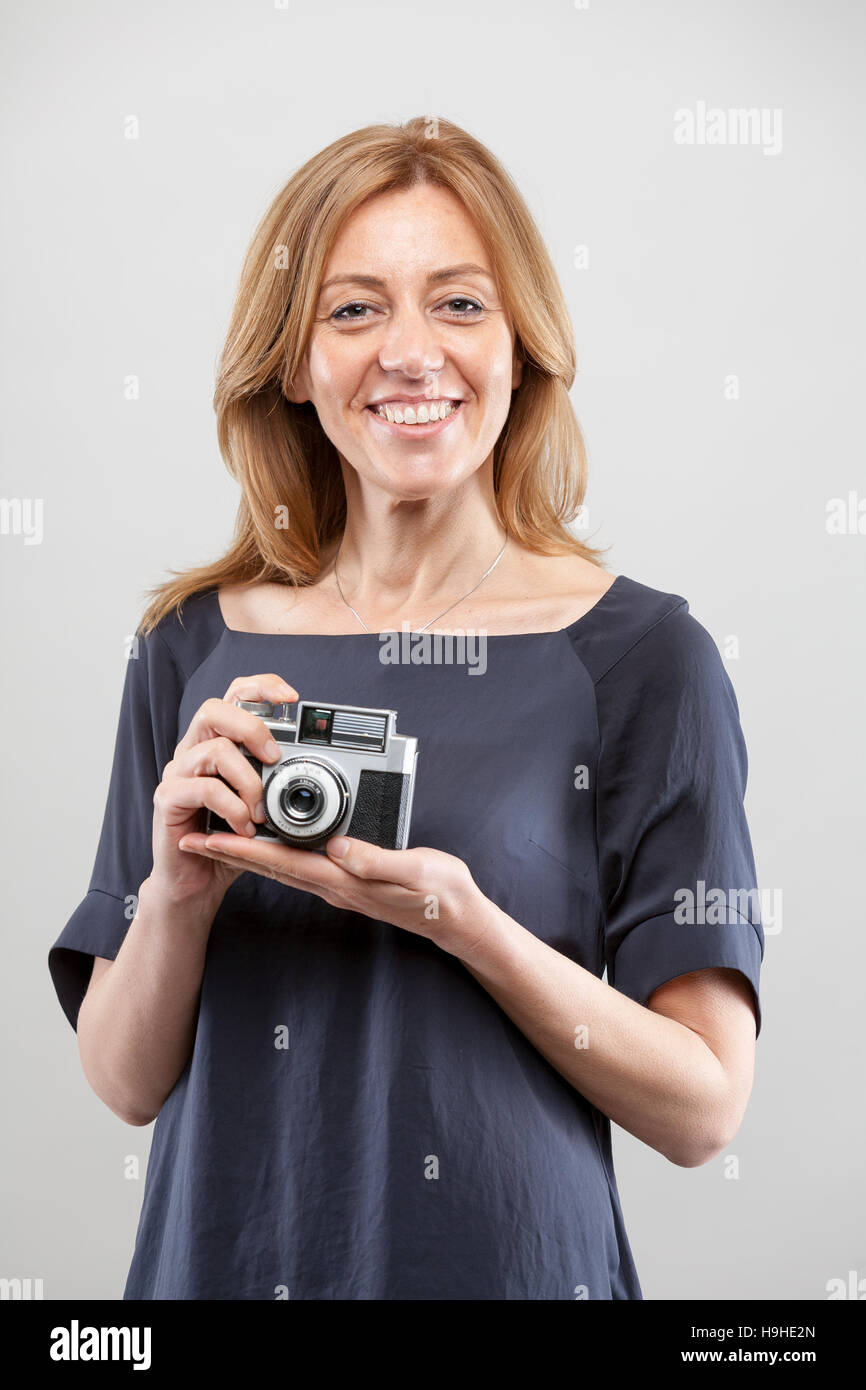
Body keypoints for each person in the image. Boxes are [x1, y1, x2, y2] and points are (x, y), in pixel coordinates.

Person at [48, 116, 764, 1301]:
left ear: (522, 346)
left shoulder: (642, 658)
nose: (411, 353)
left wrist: (464, 925)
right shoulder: (192, 647)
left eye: (461, 304)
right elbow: (125, 1083)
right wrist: (175, 894)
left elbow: (703, 1108)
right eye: (352, 309)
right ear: (291, 361)